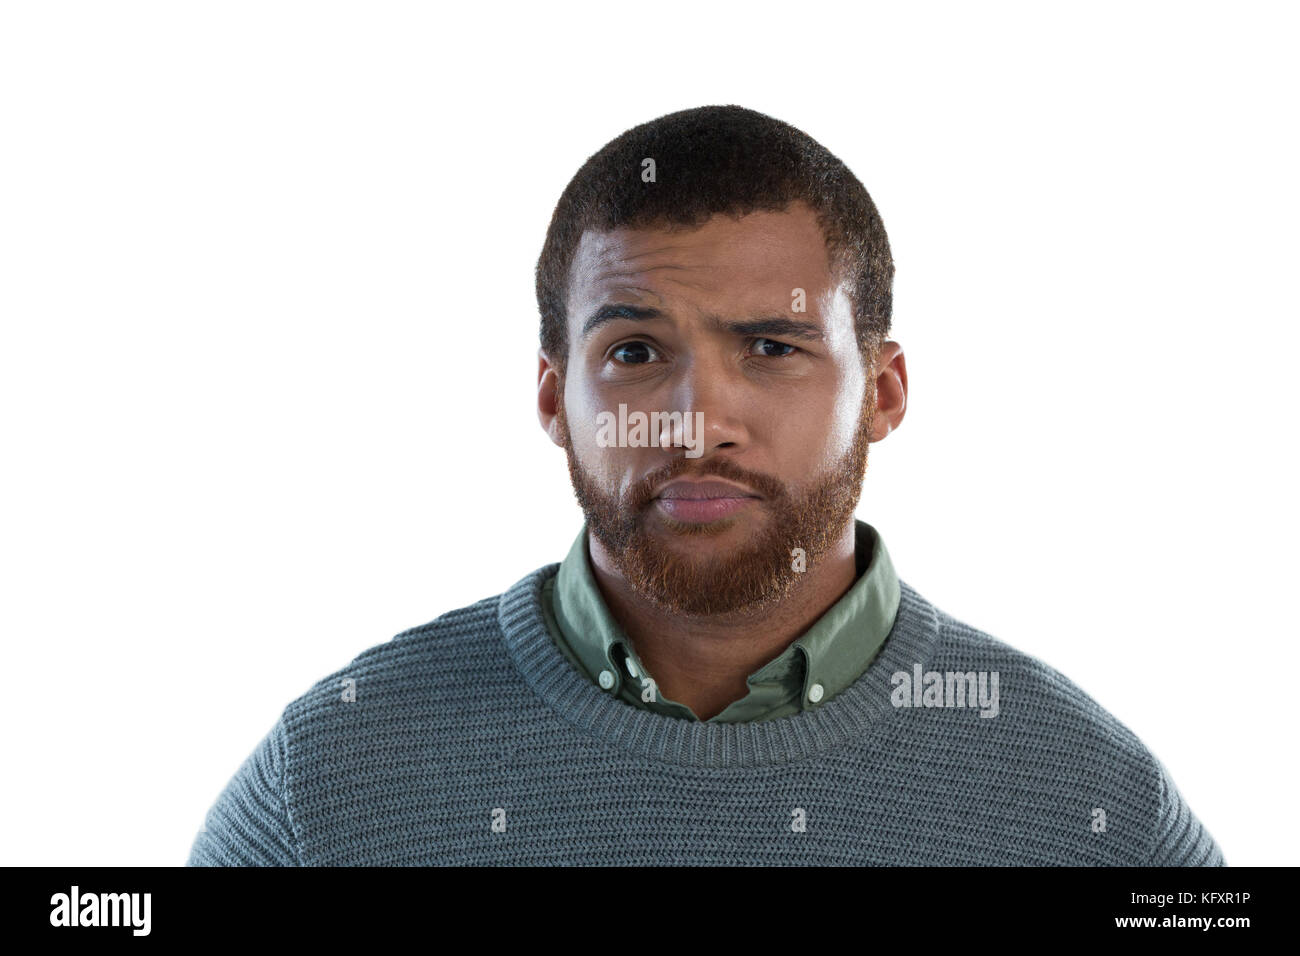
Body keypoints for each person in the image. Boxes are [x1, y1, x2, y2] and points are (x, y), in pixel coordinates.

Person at [188, 105, 1224, 866]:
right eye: (635, 351)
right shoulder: (327, 783)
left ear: (885, 391)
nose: (695, 420)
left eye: (772, 346)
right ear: (553, 398)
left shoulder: (1090, 804)